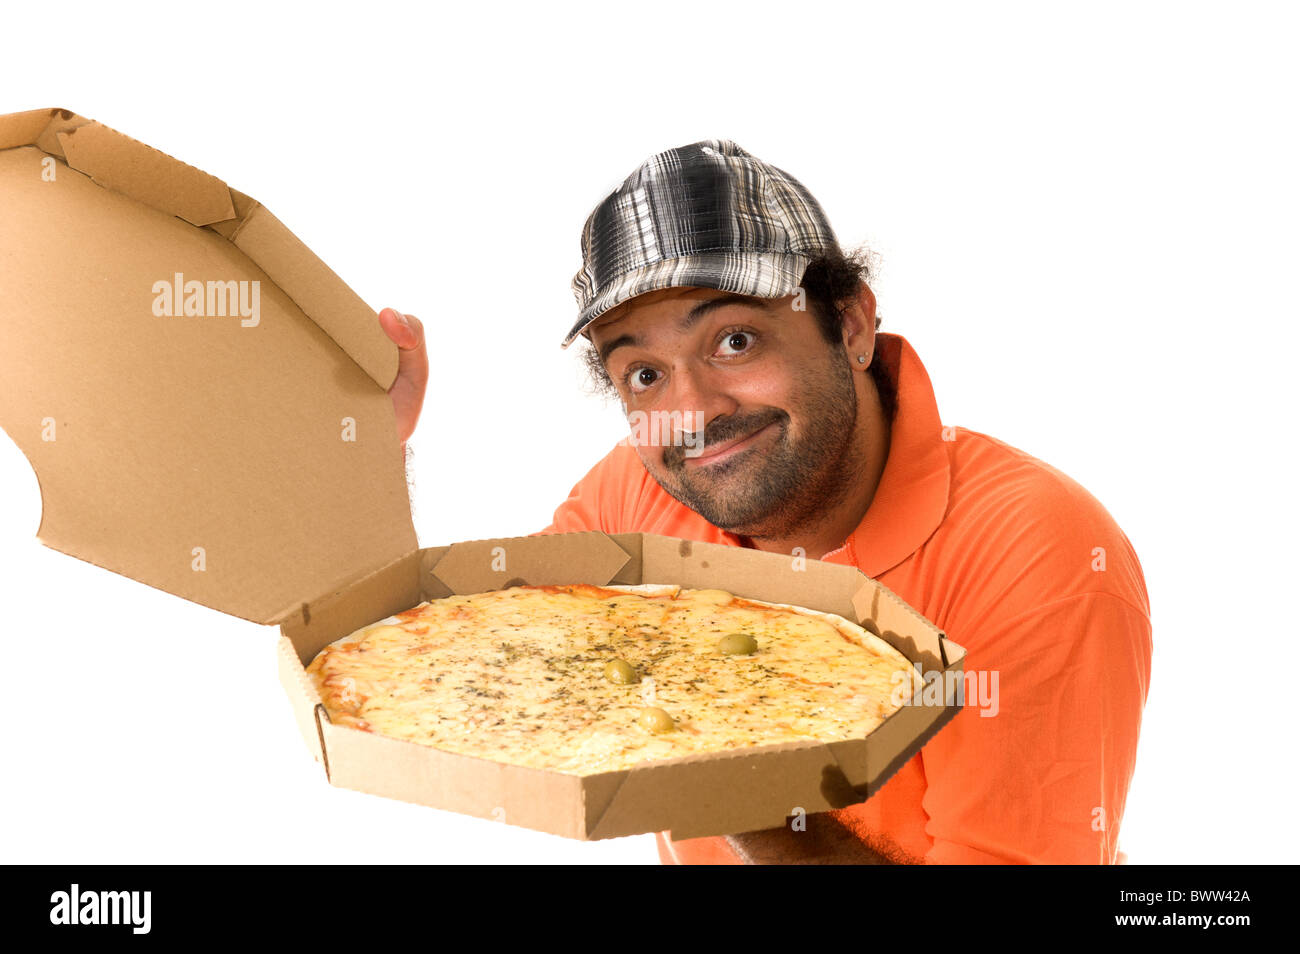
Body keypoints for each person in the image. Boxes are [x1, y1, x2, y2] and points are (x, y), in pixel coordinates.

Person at [375, 140, 1153, 864]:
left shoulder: (1034, 553)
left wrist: (726, 766)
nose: (696, 413)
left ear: (848, 321)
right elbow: (463, 656)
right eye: (644, 375)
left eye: (734, 341)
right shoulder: (640, 492)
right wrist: (361, 458)